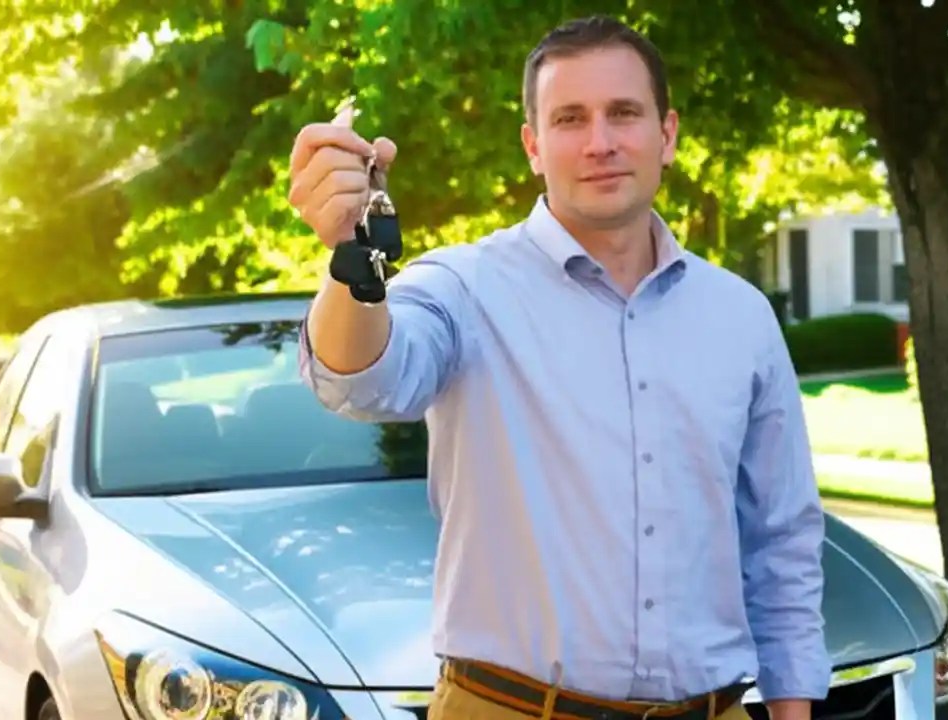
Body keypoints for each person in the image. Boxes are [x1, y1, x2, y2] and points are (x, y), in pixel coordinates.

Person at [288, 14, 829, 720]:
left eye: (623, 114)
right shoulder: (463, 287)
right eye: (570, 118)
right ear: (533, 146)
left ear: (667, 135)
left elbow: (781, 541)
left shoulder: (741, 317)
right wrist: (351, 260)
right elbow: (362, 379)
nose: (600, 142)